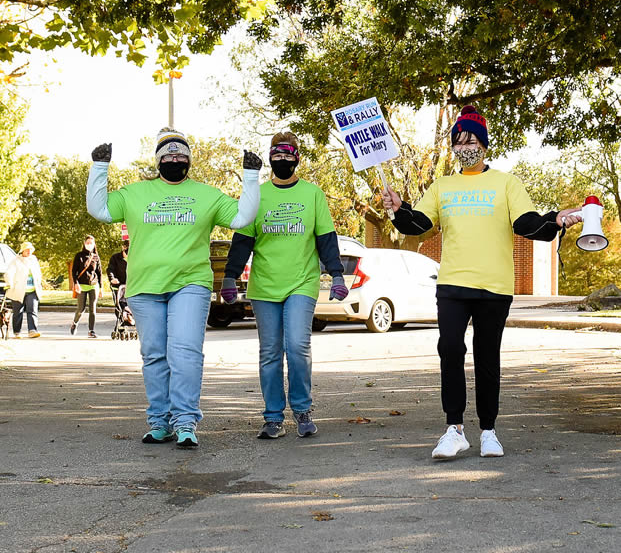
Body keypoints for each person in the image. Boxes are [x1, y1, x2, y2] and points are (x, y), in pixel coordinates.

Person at [382, 105, 581, 460]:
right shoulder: (443, 185)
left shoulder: (506, 183)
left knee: (487, 357)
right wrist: (398, 209)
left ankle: (489, 431)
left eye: (472, 140)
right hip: (453, 284)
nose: (465, 147)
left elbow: (526, 224)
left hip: (494, 286)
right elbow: (418, 224)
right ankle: (454, 429)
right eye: (458, 142)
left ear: (484, 145)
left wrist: (556, 219)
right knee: (450, 349)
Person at [86, 127, 262, 448]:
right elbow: (99, 209)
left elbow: (241, 217)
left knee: (184, 353)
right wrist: (99, 168)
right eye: (168, 154)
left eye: (181, 154)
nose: (175, 159)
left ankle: (184, 422)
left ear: (189, 160)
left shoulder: (207, 195)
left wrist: (251, 176)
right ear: (158, 160)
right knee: (154, 355)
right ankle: (159, 422)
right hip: (144, 286)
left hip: (189, 284)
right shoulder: (134, 194)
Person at [222, 131, 347, 440]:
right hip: (264, 285)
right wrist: (230, 274)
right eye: (276, 155)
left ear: (297, 158)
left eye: (287, 155)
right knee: (270, 352)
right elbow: (243, 241)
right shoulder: (258, 196)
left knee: (297, 346)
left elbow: (326, 240)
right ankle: (273, 417)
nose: (281, 160)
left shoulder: (312, 194)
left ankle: (302, 410)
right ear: (270, 158)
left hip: (301, 283)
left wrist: (337, 273)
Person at [3, 241, 43, 338]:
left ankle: (32, 330)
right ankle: (17, 332)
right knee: (18, 312)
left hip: (32, 290)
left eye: (30, 250)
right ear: (22, 251)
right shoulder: (16, 261)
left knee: (32, 309)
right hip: (18, 290)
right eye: (27, 250)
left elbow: (38, 273)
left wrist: (39, 283)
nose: (29, 252)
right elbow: (9, 273)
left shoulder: (34, 260)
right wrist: (9, 282)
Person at [70, 235, 103, 338]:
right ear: (84, 244)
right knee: (81, 308)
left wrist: (101, 287)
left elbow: (99, 272)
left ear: (94, 245)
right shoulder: (79, 256)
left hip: (94, 285)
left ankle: (91, 330)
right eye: (87, 242)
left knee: (93, 308)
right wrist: (76, 283)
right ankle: (75, 323)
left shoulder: (96, 257)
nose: (89, 245)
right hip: (81, 285)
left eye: (91, 243)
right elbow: (74, 271)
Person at [107, 238, 130, 317]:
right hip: (118, 286)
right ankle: (121, 322)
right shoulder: (115, 258)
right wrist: (112, 279)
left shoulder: (135, 258)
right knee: (119, 305)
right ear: (123, 247)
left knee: (130, 304)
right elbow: (110, 269)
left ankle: (129, 319)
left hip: (131, 285)